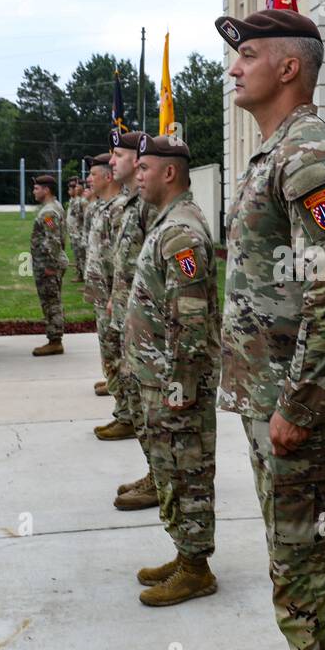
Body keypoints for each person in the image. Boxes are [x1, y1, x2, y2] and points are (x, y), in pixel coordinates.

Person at [215, 8, 325, 650]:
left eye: (248, 54)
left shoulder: (308, 159)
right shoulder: (274, 155)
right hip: (271, 402)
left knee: (310, 570)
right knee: (297, 563)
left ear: (289, 68)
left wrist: (301, 405)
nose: (233, 66)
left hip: (297, 411)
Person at [123, 134, 222, 604]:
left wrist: (179, 385)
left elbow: (191, 317)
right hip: (159, 378)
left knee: (186, 470)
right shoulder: (167, 224)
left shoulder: (180, 232)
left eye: (144, 168)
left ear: (169, 173)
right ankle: (186, 554)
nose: (137, 177)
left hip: (175, 382)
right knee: (171, 469)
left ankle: (197, 568)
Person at [103, 131, 162, 496]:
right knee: (136, 399)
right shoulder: (130, 203)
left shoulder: (148, 205)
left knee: (149, 405)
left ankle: (161, 477)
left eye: (119, 155)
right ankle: (155, 473)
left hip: (146, 327)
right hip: (128, 318)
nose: (112, 162)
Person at [81, 152, 122, 398]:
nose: (88, 179)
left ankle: (123, 404)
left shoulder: (118, 209)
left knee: (115, 344)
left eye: (93, 174)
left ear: (108, 177)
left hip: (111, 292)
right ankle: (113, 380)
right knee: (107, 342)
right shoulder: (102, 207)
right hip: (101, 290)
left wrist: (114, 293)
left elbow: (123, 257)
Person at [29, 174, 67, 356]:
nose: (34, 191)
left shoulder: (49, 212)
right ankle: (54, 337)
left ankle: (55, 340)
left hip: (47, 265)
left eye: (37, 188)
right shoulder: (53, 207)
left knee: (51, 302)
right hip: (47, 264)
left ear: (47, 190)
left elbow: (52, 240)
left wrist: (51, 265)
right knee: (52, 300)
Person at [66, 178, 87, 280]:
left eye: (78, 187)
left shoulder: (81, 201)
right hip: (74, 232)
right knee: (77, 254)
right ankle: (80, 272)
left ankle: (82, 275)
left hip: (79, 232)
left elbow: (83, 217)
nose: (75, 189)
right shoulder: (73, 200)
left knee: (81, 255)